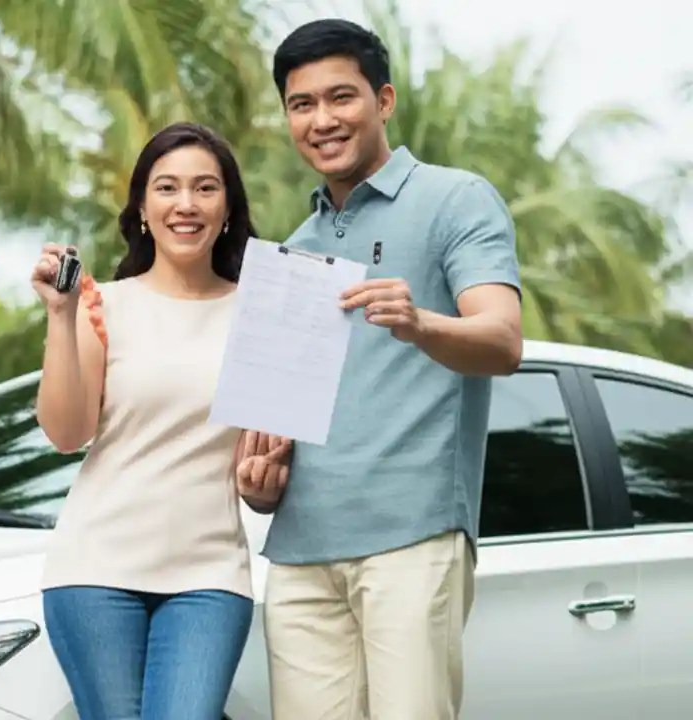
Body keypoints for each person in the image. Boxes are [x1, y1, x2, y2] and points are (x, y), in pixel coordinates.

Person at [236, 18, 524, 720]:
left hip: (413, 535)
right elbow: (269, 433)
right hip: (300, 551)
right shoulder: (290, 251)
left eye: (342, 97)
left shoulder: (456, 198)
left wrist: (420, 321)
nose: (322, 120)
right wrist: (259, 486)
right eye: (302, 104)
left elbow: (503, 341)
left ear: (384, 100)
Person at [32, 122, 282, 720]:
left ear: (228, 208)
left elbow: (267, 469)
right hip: (95, 569)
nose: (187, 205)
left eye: (205, 188)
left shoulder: (266, 313)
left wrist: (260, 488)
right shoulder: (103, 304)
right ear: (142, 208)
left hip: (210, 574)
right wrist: (61, 317)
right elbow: (67, 433)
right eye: (167, 188)